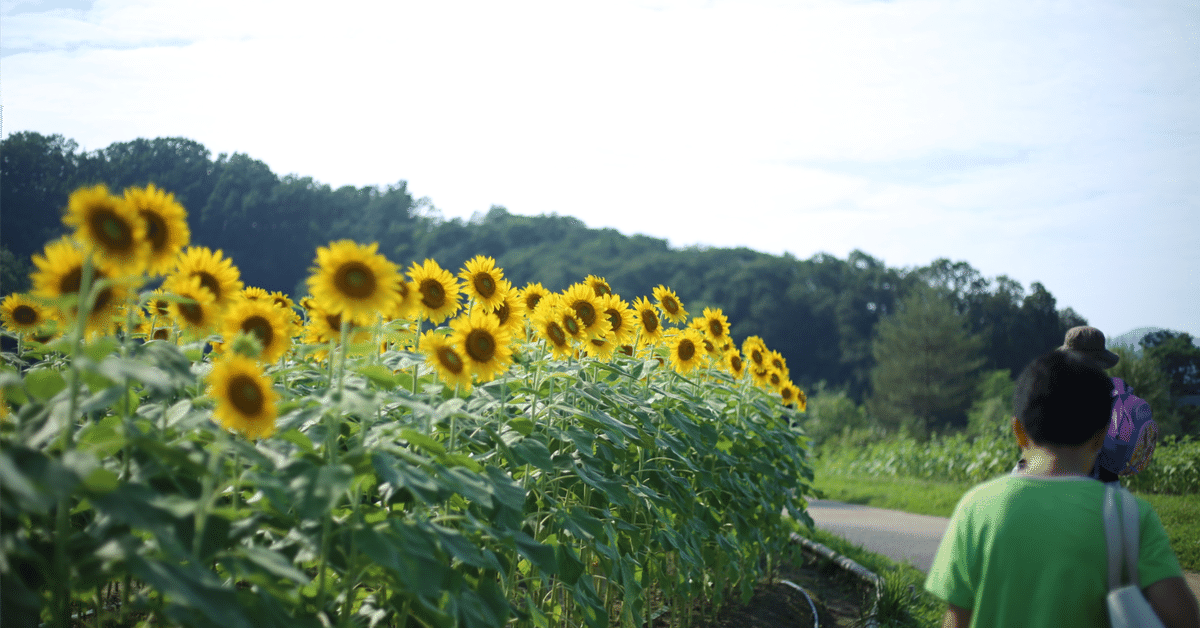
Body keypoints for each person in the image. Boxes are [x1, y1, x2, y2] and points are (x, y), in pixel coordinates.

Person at [925, 351, 1199, 628]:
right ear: (1102, 436)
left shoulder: (975, 507)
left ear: (1018, 431)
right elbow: (1183, 618)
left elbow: (957, 619)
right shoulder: (1129, 515)